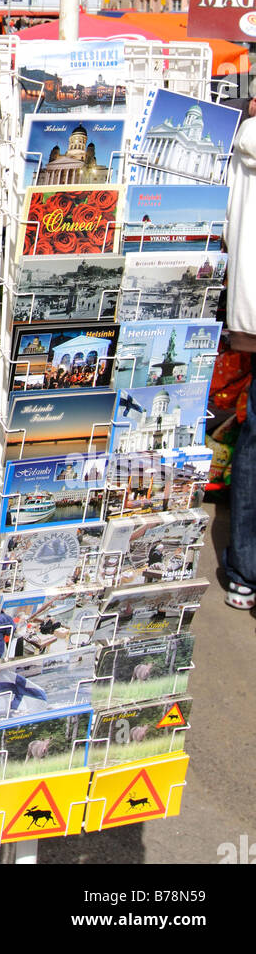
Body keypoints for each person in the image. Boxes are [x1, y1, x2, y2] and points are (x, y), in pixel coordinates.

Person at [223, 96, 256, 608]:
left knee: (254, 442)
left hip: (252, 309)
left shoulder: (241, 141)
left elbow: (229, 222)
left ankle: (246, 570)